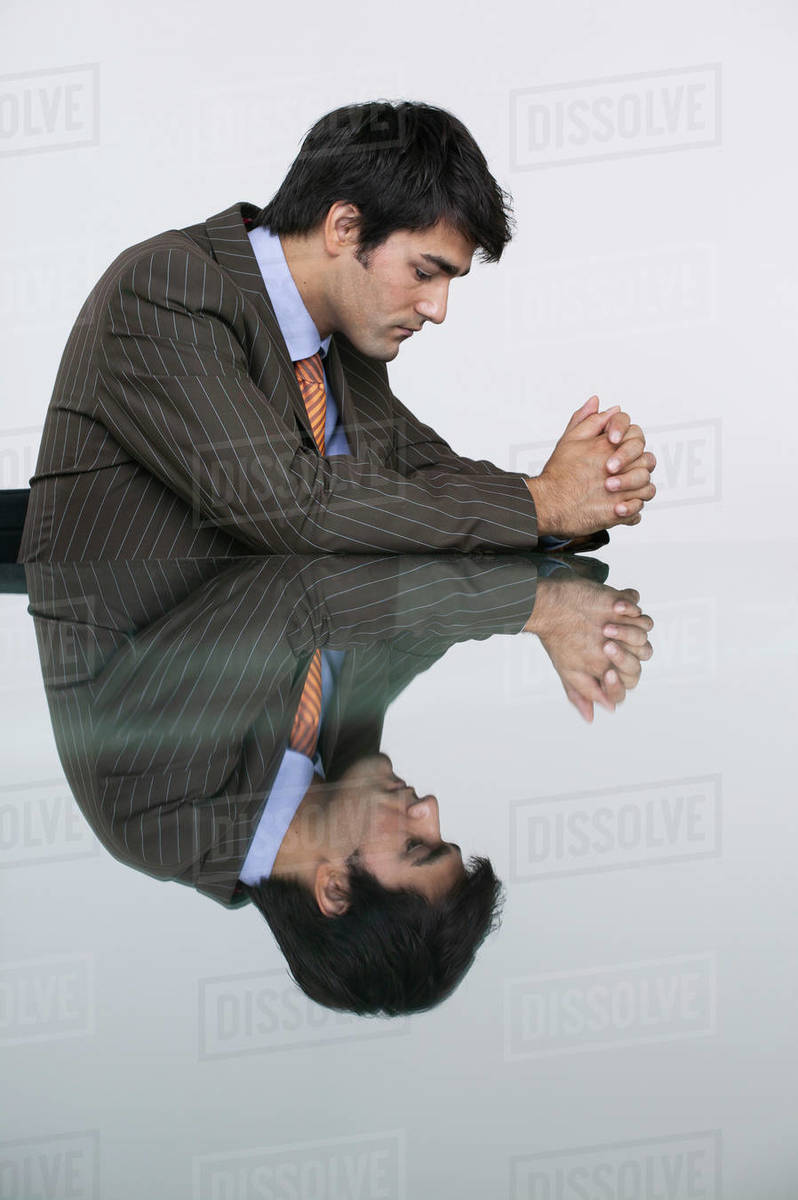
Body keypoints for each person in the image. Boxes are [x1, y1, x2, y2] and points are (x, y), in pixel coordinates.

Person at [18, 100, 655, 562]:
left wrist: (575, 498)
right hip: (155, 693)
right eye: (425, 272)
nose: (437, 309)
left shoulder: (342, 335)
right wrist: (544, 503)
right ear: (345, 228)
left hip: (296, 667)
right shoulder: (166, 290)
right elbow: (293, 507)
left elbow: (425, 470)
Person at [26, 553, 653, 1015]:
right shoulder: (340, 765)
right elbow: (425, 614)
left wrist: (540, 609)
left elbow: (300, 581)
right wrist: (572, 589)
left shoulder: (159, 814)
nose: (430, 808)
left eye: (416, 846)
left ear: (334, 889)